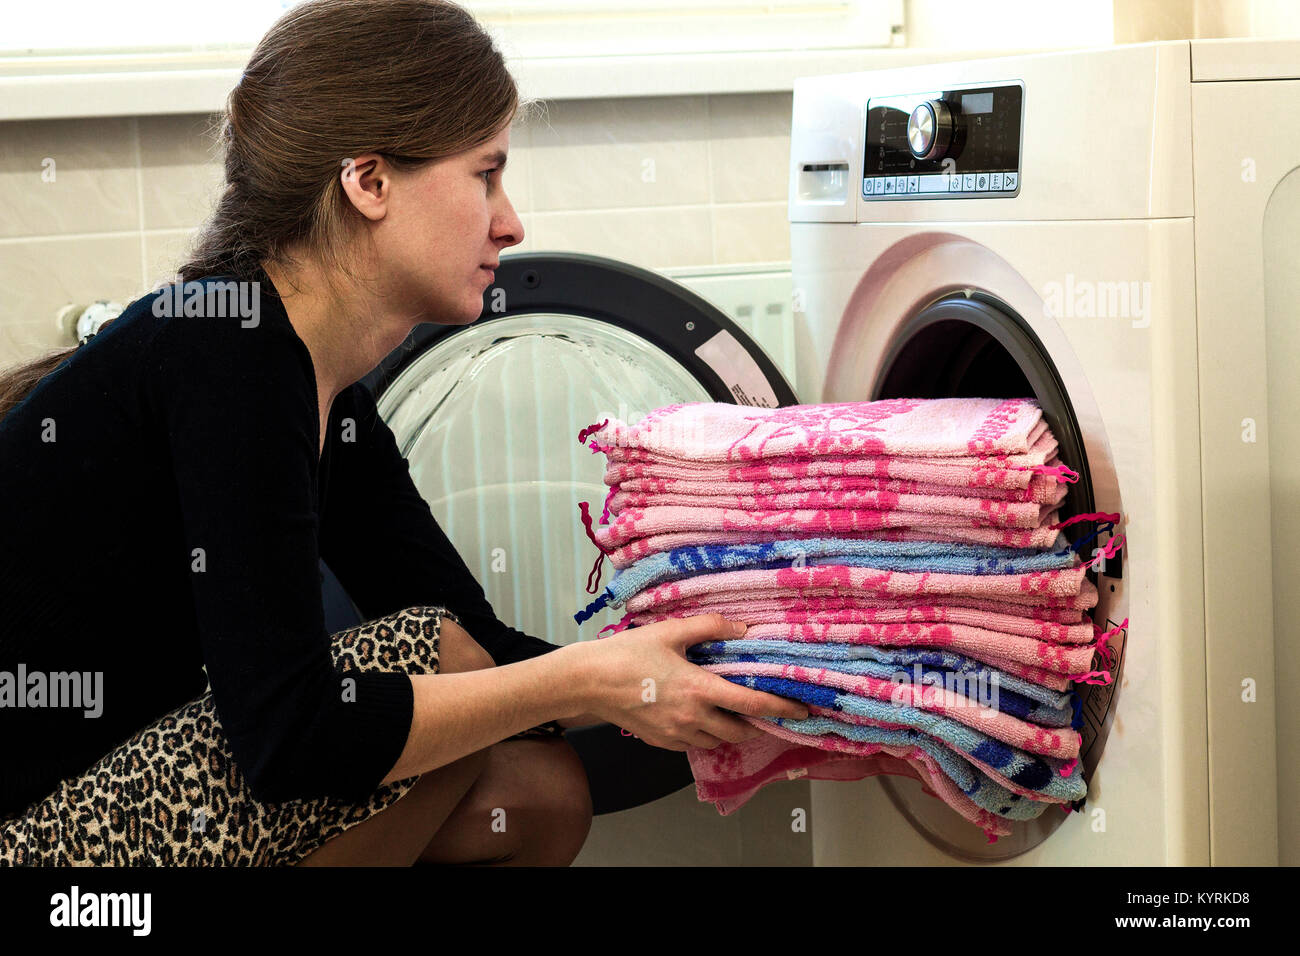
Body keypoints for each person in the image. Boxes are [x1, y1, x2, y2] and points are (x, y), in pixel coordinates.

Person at [0, 0, 809, 867]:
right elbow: (288, 733)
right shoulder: (230, 350)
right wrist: (589, 678)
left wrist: (709, 675)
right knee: (430, 657)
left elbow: (485, 649)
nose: (511, 222)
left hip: (114, 811)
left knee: (533, 789)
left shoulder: (319, 382)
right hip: (38, 841)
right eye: (484, 175)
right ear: (370, 183)